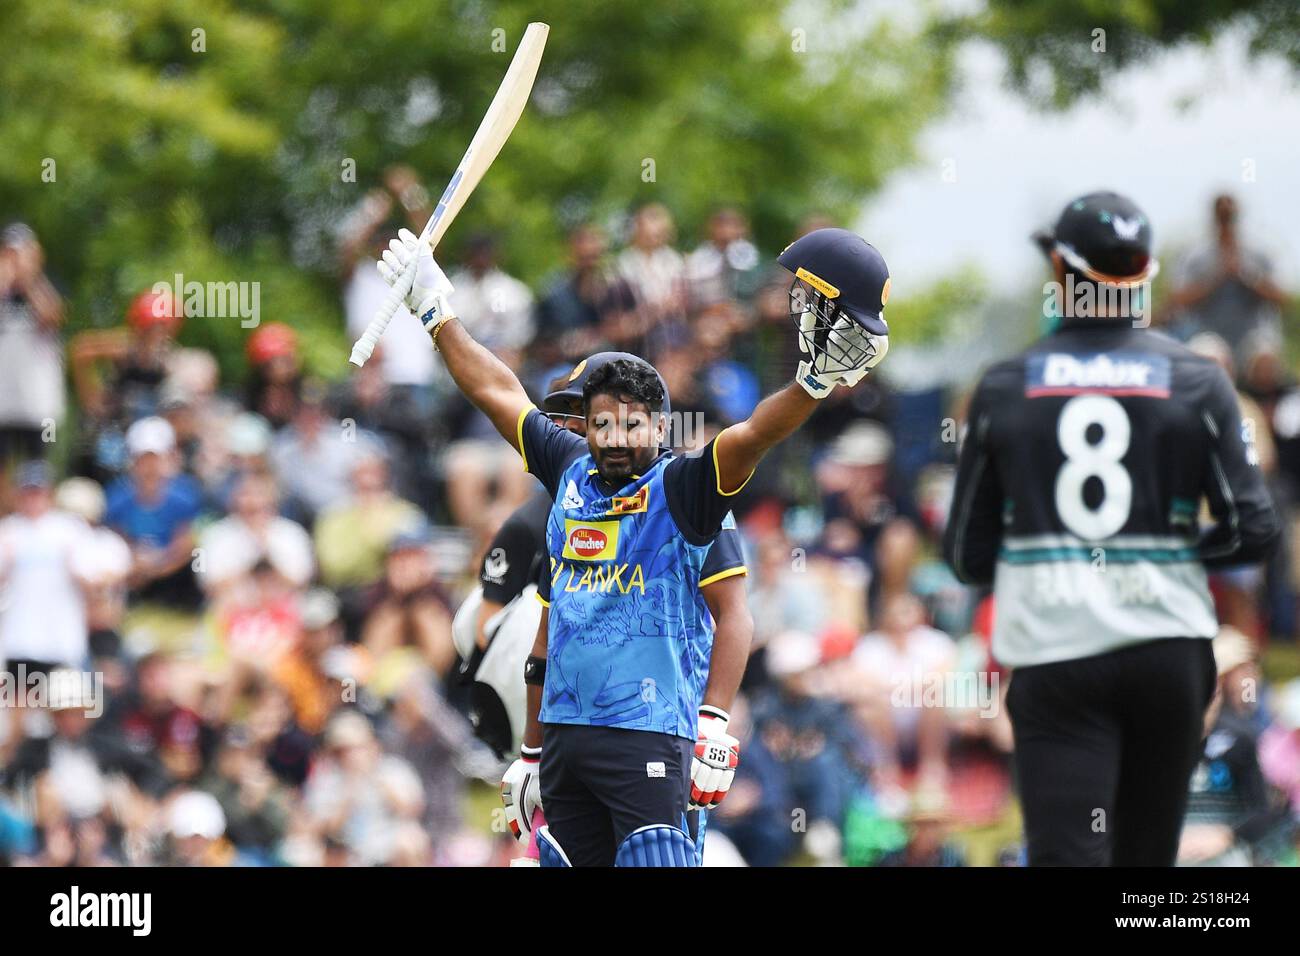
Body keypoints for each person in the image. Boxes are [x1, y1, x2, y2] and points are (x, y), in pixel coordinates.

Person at [375, 222, 890, 865]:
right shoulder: (566, 471)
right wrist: (434, 310)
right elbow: (495, 391)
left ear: (660, 423)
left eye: (632, 423)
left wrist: (811, 386)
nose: (615, 437)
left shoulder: (685, 488)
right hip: (565, 743)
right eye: (602, 424)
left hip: (651, 737)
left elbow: (754, 435)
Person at [944, 191, 1280, 866]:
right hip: (1168, 652)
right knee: (1145, 875)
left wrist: (1044, 554)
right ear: (1147, 274)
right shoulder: (1196, 380)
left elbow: (965, 554)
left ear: (1060, 274)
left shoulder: (1007, 384)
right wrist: (1174, 552)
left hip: (1057, 650)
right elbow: (1255, 530)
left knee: (1069, 857)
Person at [1167, 193, 1289, 363]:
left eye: (1230, 217)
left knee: (1265, 355)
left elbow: (1281, 298)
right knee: (1207, 354)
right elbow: (1178, 299)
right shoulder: (1194, 255)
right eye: (1222, 217)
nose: (1226, 222)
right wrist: (1216, 277)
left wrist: (1247, 276)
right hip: (1210, 334)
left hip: (1252, 336)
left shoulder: (1259, 254)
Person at [0, 223, 64, 471]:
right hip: (3, 403)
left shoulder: (47, 285)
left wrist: (29, 277)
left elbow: (52, 317)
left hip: (37, 405)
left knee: (35, 469)